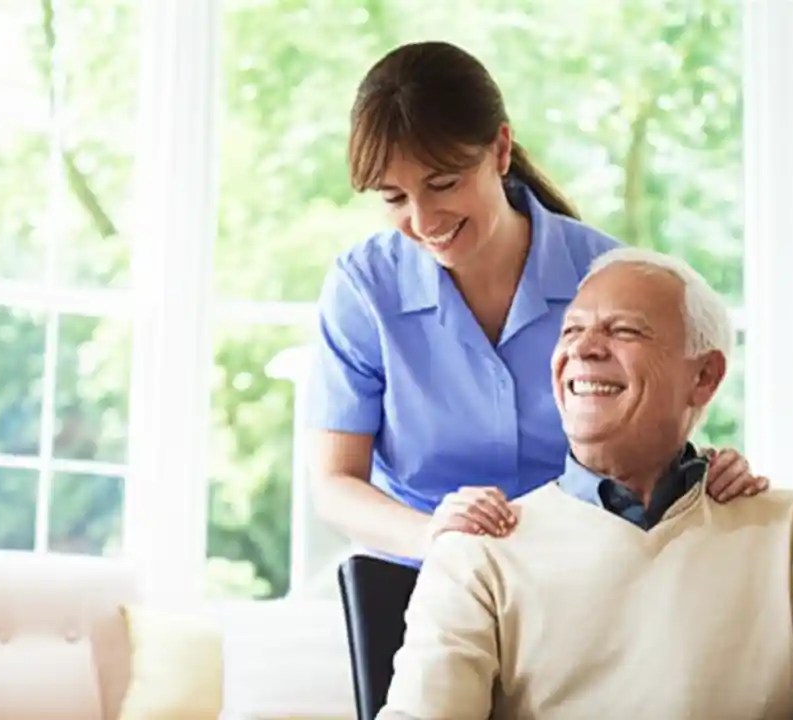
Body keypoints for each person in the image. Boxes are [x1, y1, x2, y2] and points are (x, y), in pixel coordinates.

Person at [378, 247, 793, 719]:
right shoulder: (480, 550)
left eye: (623, 330)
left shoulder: (788, 529)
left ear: (704, 377)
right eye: (571, 330)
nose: (584, 348)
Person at [307, 40, 769, 564]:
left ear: (501, 151)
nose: (424, 219)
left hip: (584, 574)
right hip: (422, 577)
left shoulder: (608, 277)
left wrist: (705, 475)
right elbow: (335, 483)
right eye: (394, 198)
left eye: (443, 184)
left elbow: (652, 451)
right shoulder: (364, 288)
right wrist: (437, 537)